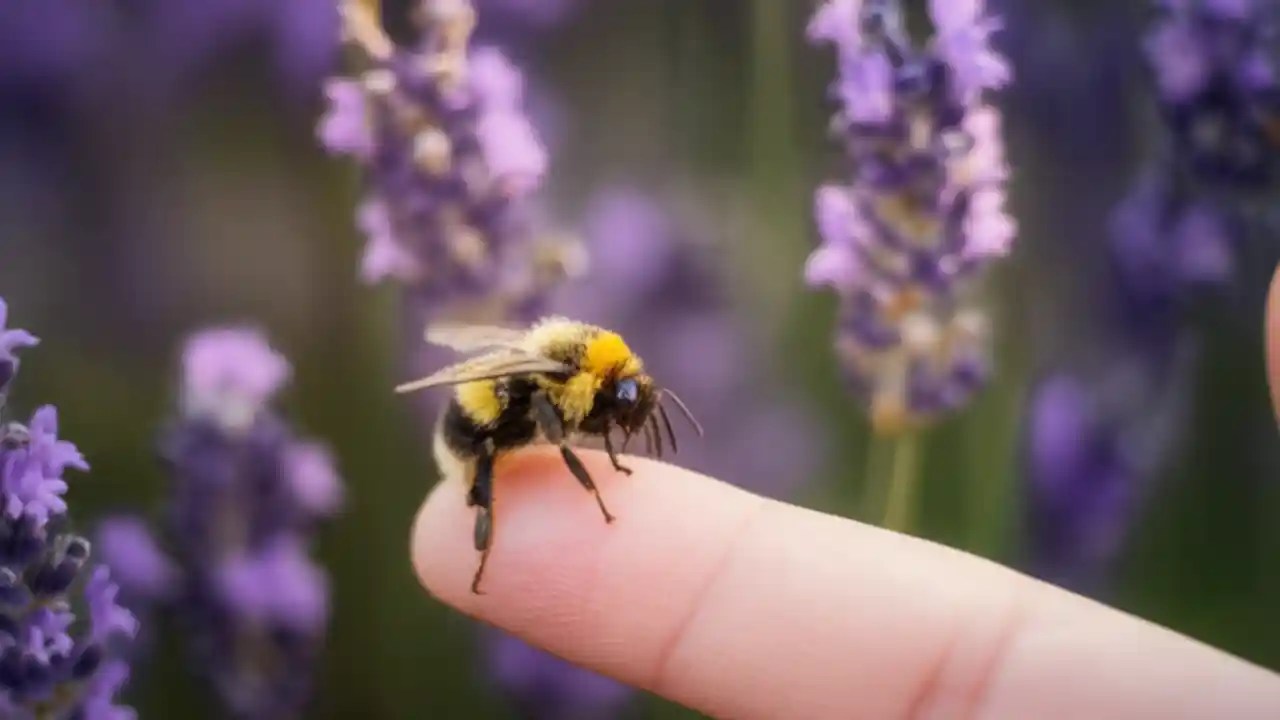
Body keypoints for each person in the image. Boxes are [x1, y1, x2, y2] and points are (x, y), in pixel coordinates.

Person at [410, 271, 1280, 719]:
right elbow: (549, 412)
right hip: (483, 415)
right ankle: (483, 529)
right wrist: (600, 495)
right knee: (503, 452)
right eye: (627, 404)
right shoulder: (559, 377)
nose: (629, 416)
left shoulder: (597, 368)